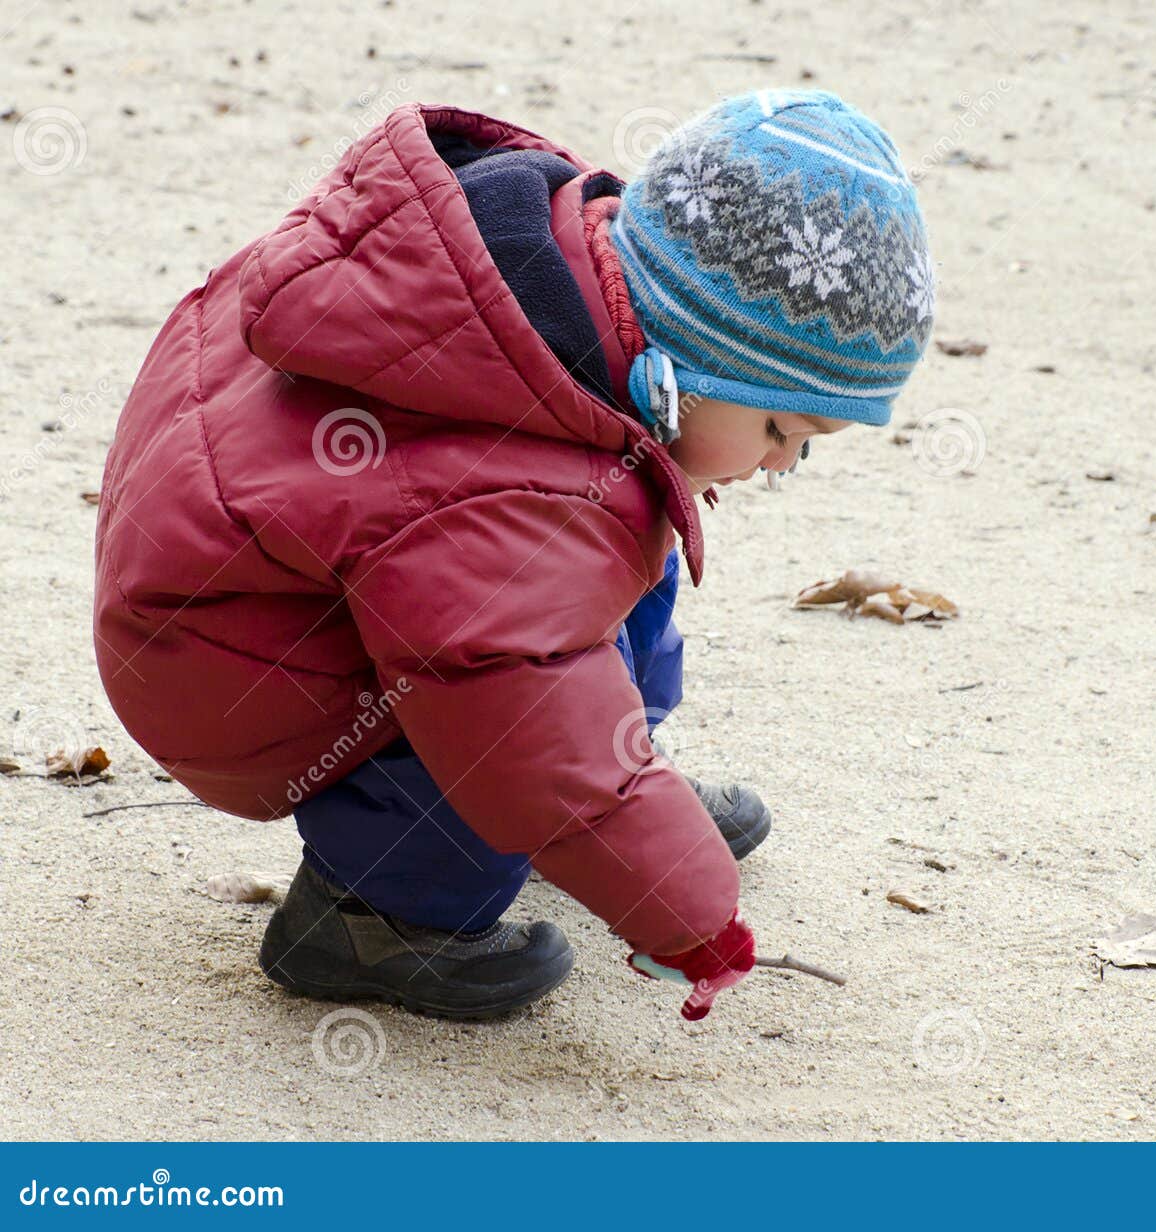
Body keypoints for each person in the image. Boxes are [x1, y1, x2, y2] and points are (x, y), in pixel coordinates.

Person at [92, 90, 934, 1022]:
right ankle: (373, 919)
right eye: (779, 426)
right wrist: (692, 919)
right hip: (229, 669)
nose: (783, 464)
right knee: (505, 707)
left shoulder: (556, 296)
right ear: (683, 357)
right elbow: (521, 701)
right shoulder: (511, 484)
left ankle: (616, 778)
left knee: (615, 533)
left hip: (258, 584)